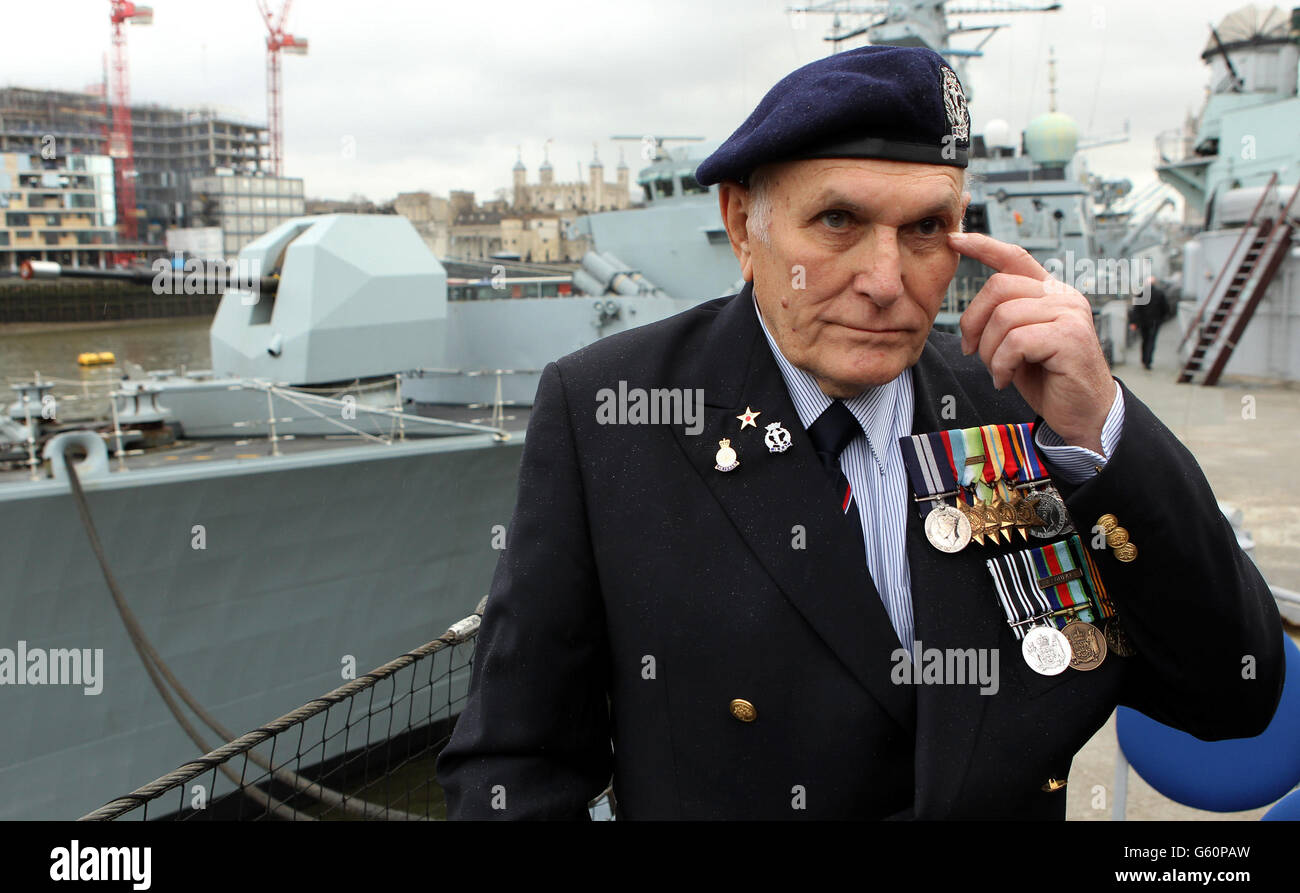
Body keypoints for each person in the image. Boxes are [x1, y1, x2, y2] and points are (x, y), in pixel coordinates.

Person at [436, 45, 1284, 820]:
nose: (887, 282)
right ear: (743, 224)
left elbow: (1233, 698)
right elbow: (517, 764)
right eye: (838, 222)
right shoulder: (609, 416)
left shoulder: (1023, 411)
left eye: (925, 229)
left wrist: (1101, 430)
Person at [1135, 276, 1170, 370]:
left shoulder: (1141, 294)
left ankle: (1143, 360)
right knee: (1151, 341)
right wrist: (1161, 319)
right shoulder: (1160, 294)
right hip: (1155, 322)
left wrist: (1135, 322)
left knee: (1144, 340)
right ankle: (1148, 361)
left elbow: (1136, 309)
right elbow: (1166, 308)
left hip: (1143, 322)